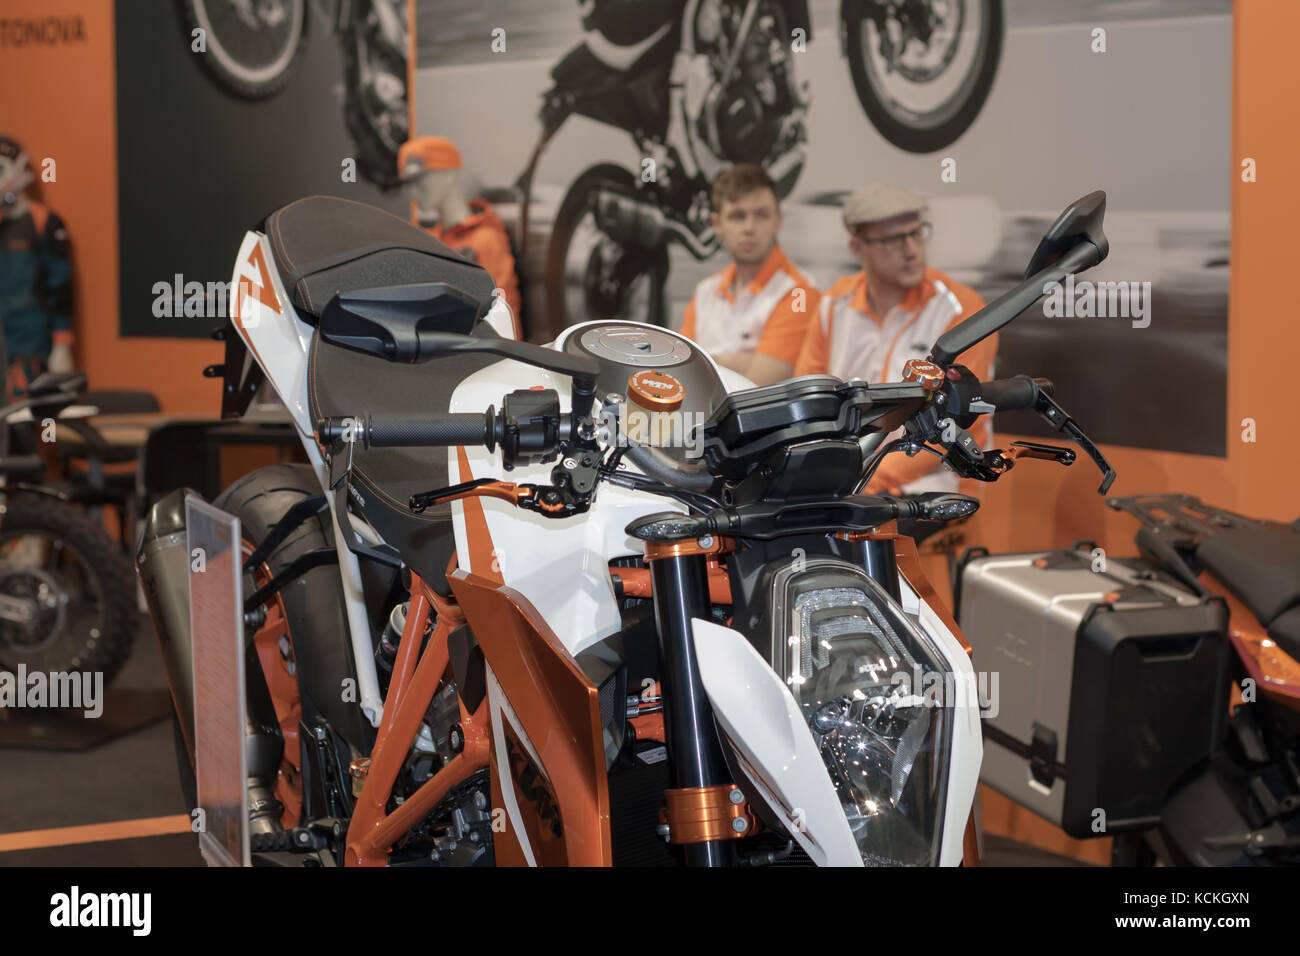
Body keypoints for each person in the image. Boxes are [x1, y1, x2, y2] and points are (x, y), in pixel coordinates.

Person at [795, 182, 998, 495]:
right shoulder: (833, 304)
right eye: (893, 239)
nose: (912, 250)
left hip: (929, 486)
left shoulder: (963, 311)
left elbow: (956, 427)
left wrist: (862, 483)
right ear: (857, 248)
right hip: (845, 481)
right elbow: (808, 403)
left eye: (917, 233)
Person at [680, 164, 818, 386]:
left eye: (761, 215)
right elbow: (678, 370)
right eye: (737, 216)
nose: (749, 227)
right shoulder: (705, 291)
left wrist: (707, 361)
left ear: (778, 221)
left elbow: (755, 389)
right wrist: (739, 361)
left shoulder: (800, 292)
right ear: (717, 224)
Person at [397, 135, 522, 336]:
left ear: (447, 175)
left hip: (480, 357)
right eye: (408, 184)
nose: (413, 193)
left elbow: (505, 314)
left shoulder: (485, 239)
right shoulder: (429, 242)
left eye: (420, 181)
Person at [0, 136, 73, 399]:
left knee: (30, 426)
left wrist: (62, 344)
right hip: (4, 344)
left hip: (32, 348)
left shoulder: (44, 222)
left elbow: (60, 286)